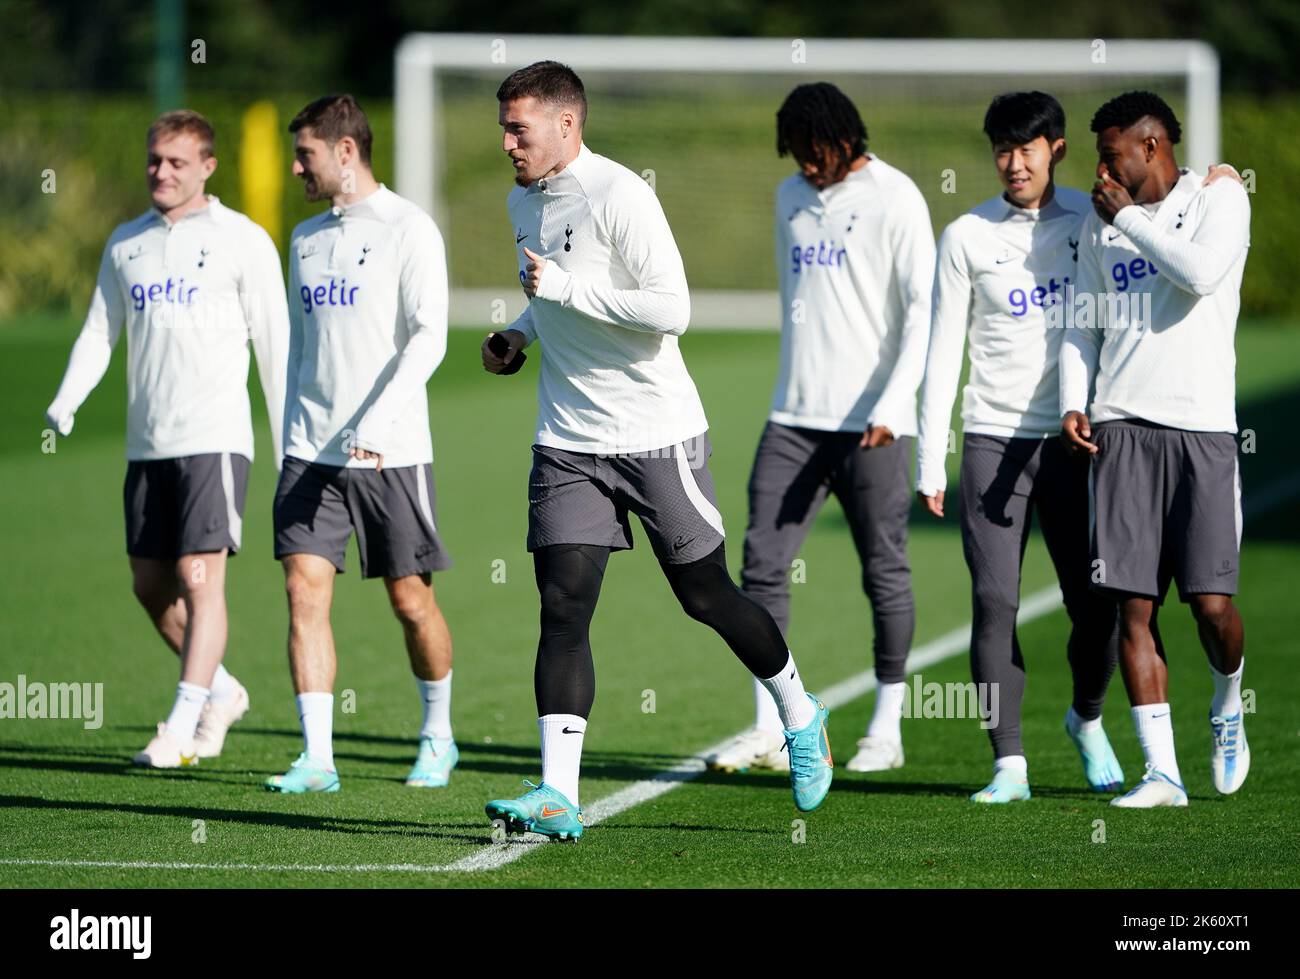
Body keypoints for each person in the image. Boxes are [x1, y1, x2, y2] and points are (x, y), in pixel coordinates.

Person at [481, 62, 833, 840]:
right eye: (505, 128)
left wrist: (565, 293)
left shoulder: (621, 195)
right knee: (563, 606)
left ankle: (801, 716)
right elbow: (553, 295)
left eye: (519, 129)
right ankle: (558, 793)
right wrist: (519, 334)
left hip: (654, 434)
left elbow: (671, 308)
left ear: (567, 125)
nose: (506, 143)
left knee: (705, 594)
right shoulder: (521, 200)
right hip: (568, 440)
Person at [44, 110, 287, 767]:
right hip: (146, 444)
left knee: (198, 574)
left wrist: (290, 440)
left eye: (177, 162)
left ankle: (180, 727)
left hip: (215, 437)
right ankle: (222, 687)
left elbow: (276, 346)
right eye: (154, 159)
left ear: (208, 166)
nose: (161, 171)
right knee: (150, 585)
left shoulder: (244, 240)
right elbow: (100, 331)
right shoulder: (126, 243)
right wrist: (67, 400)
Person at [708, 82, 932, 777]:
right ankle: (774, 726)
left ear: (845, 137)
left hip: (875, 425)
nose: (805, 164)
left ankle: (885, 729)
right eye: (796, 153)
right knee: (760, 565)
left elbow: (923, 312)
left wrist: (895, 405)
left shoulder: (897, 198)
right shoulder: (788, 199)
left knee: (883, 568)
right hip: (794, 418)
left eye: (815, 150)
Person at [917, 92, 1124, 803]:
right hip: (990, 439)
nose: (1013, 163)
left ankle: (1087, 716)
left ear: (1056, 149)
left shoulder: (1093, 225)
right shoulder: (966, 235)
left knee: (1096, 607)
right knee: (994, 599)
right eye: (1002, 149)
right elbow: (942, 352)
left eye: (1027, 148)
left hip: (1075, 444)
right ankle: (1008, 762)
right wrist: (928, 458)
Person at [1060, 90, 1251, 808]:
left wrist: (1131, 220)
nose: (1099, 170)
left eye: (1109, 155)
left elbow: (1199, 274)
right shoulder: (1097, 221)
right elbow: (1082, 323)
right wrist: (1073, 401)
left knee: (1210, 604)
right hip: (1120, 427)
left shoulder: (1217, 198)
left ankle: (1228, 699)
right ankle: (1162, 773)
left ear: (1149, 146)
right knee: (1131, 607)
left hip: (1202, 427)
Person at [266, 94, 456, 793]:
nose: (295, 168)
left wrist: (376, 422)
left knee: (411, 601)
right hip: (309, 453)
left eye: (306, 154)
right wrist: (287, 432)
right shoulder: (307, 238)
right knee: (302, 591)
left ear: (346, 152)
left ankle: (438, 732)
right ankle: (318, 757)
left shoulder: (411, 229)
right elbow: (298, 348)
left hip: (392, 452)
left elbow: (430, 335)